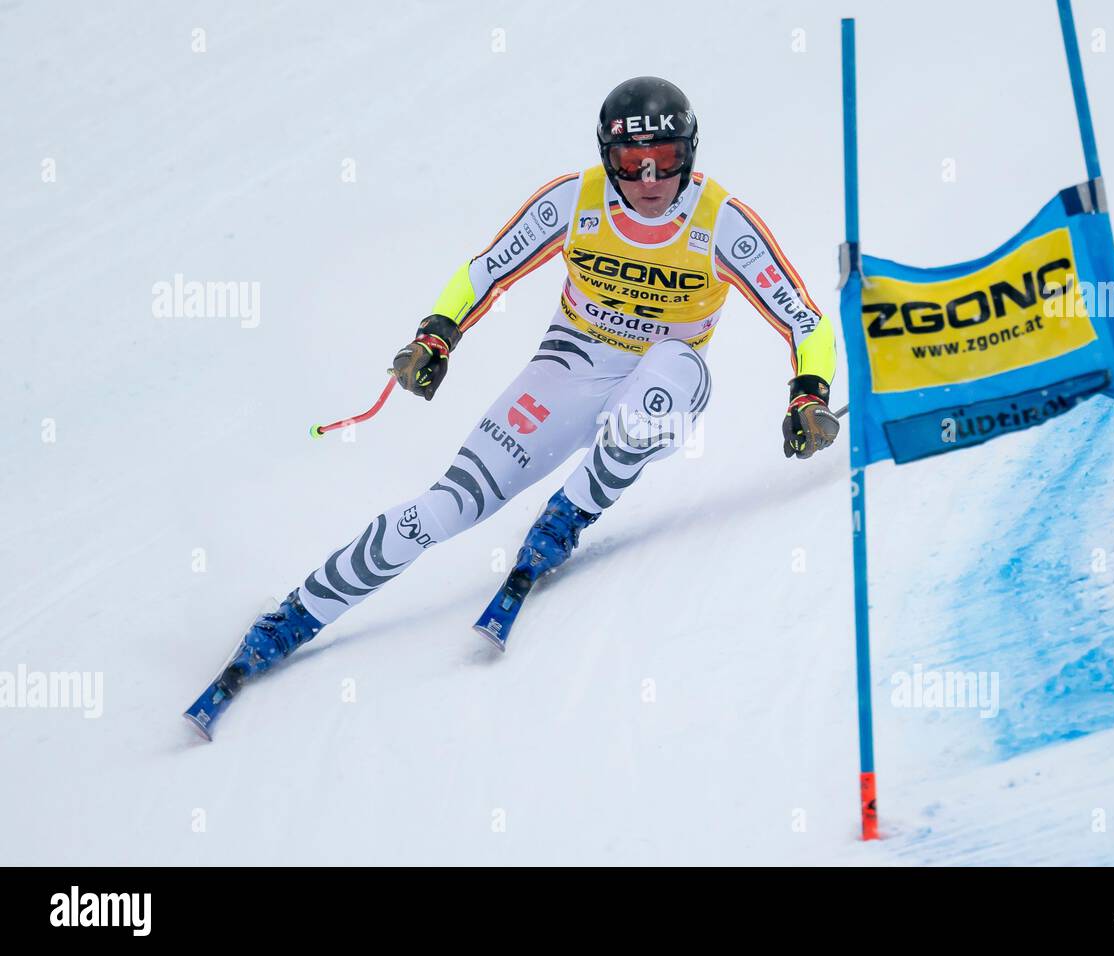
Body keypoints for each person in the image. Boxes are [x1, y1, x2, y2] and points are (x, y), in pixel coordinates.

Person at [183, 76, 839, 739]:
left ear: (689, 155)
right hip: (570, 365)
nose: (648, 179)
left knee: (664, 387)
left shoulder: (718, 220)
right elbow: (485, 269)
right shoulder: (575, 201)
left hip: (664, 370)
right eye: (631, 163)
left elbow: (805, 323)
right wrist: (435, 335)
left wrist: (808, 395)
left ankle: (571, 511)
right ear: (607, 158)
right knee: (447, 506)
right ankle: (294, 616)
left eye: (665, 160)